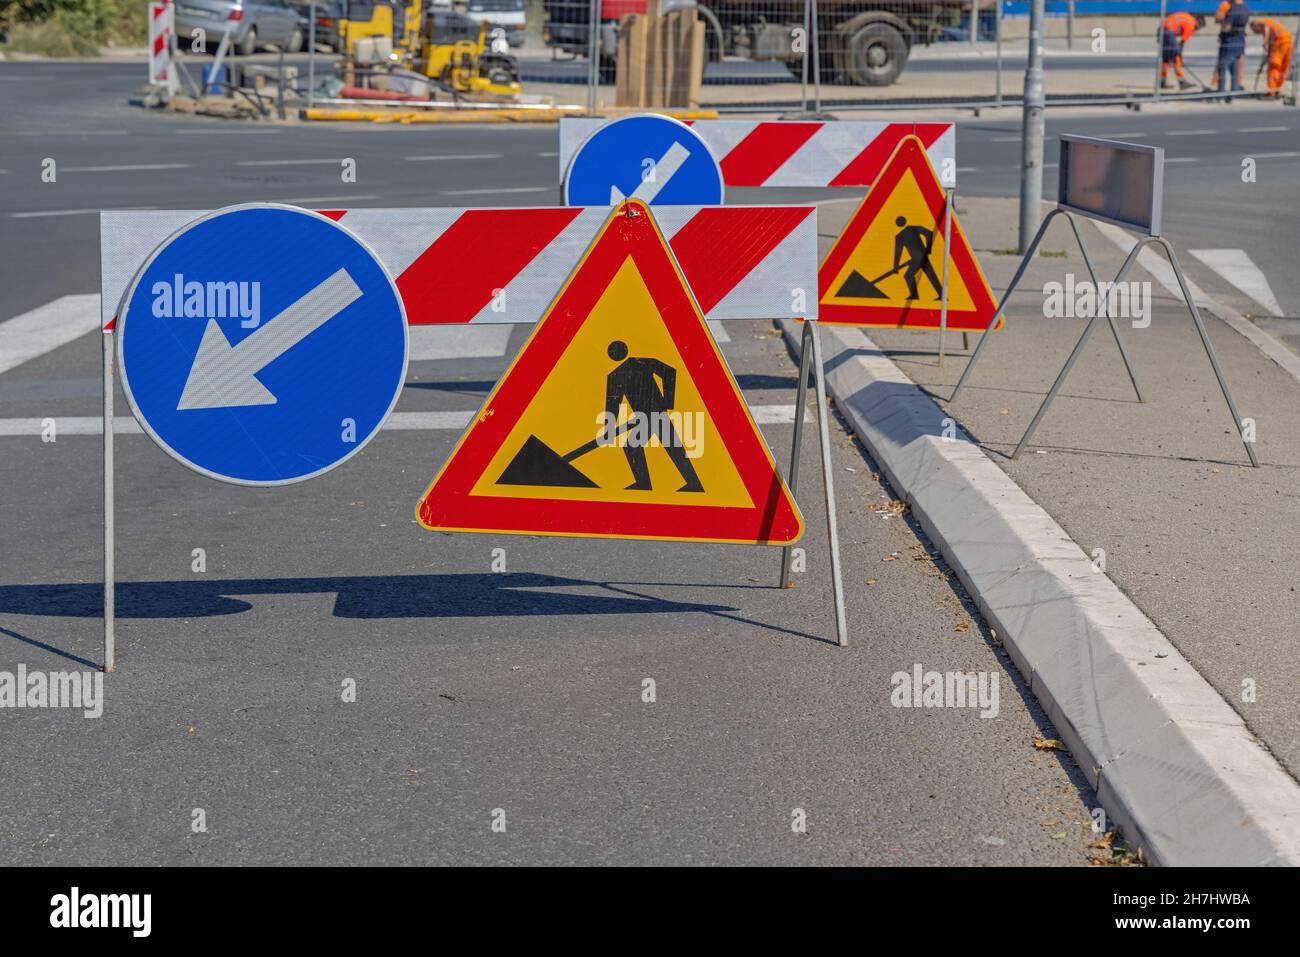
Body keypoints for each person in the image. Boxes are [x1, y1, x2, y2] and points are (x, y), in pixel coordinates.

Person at [603, 341, 703, 493]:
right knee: (671, 446)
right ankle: (694, 484)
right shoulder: (638, 364)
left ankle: (644, 484)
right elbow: (613, 404)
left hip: (651, 415)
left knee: (634, 447)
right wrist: (609, 429)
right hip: (650, 415)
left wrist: (667, 403)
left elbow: (613, 404)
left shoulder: (618, 374)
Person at [892, 216, 942, 301]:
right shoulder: (913, 229)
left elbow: (898, 253)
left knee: (909, 276)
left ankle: (915, 295)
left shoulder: (900, 235)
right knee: (930, 275)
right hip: (920, 257)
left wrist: (896, 267)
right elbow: (929, 233)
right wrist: (928, 249)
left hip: (917, 259)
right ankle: (941, 295)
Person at [1214, 0, 1251, 96]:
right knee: (1234, 68)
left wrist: (1223, 24)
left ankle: (1220, 93)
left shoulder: (1233, 9)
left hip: (1230, 42)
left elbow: (1227, 27)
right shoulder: (1245, 8)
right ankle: (1233, 92)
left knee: (1222, 67)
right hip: (1240, 42)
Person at [1162, 11, 1206, 89]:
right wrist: (1180, 55)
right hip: (1170, 32)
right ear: (1198, 22)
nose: (1197, 29)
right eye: (1199, 27)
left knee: (1166, 59)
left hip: (1163, 29)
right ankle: (1182, 82)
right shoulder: (1191, 25)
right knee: (1176, 57)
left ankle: (1162, 81)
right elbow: (1182, 43)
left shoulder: (1187, 17)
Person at [1251, 17, 1294, 96]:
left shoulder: (1260, 22)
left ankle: (1272, 90)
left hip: (1280, 41)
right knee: (1282, 67)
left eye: (1255, 31)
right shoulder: (1272, 26)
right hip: (1288, 40)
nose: (1256, 33)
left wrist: (1265, 42)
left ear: (1254, 26)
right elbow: (1271, 47)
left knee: (1274, 67)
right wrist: (1268, 56)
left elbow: (1265, 28)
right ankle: (1278, 88)